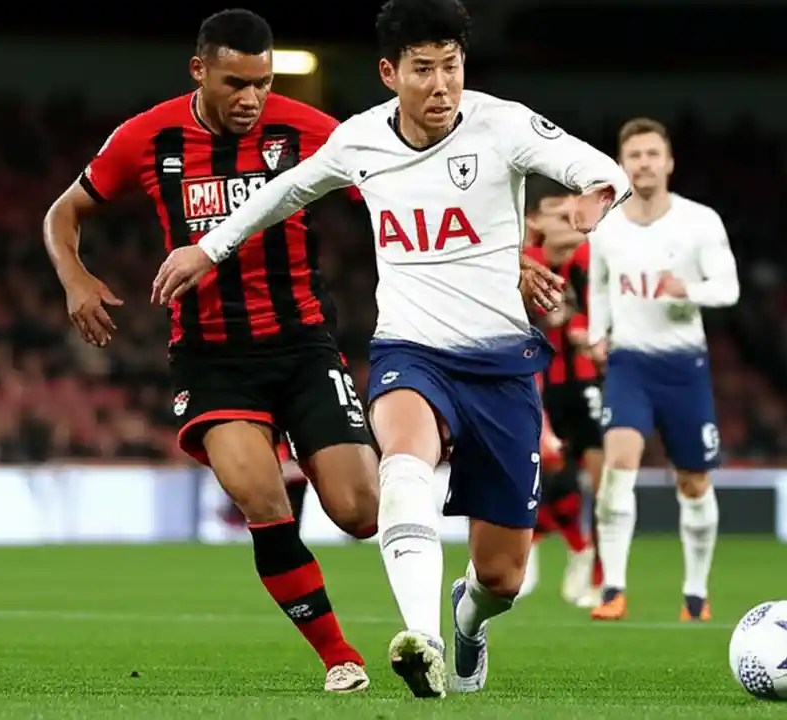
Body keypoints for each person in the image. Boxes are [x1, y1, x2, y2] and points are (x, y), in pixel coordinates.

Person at [150, 0, 626, 698]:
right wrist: (208, 248)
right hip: (412, 351)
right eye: (423, 69)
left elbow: (595, 167)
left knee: (502, 578)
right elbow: (284, 192)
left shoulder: (504, 124)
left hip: (500, 364)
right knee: (403, 465)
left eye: (452, 67)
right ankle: (422, 638)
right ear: (389, 72)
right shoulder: (358, 141)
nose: (441, 85)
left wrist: (594, 198)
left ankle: (467, 620)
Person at [42, 9, 379, 693]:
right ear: (200, 71)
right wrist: (75, 278)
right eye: (235, 83)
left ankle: (307, 458)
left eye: (262, 82)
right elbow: (62, 213)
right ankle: (340, 657)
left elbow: (392, 190)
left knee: (360, 513)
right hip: (214, 360)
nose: (251, 99)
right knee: (261, 502)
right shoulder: (147, 135)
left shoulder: (309, 130)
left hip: (305, 347)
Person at [586, 118, 739, 623]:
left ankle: (695, 595)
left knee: (694, 483)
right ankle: (612, 589)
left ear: (668, 162)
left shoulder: (700, 222)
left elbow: (728, 288)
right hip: (630, 362)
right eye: (635, 156)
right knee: (618, 468)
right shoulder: (607, 225)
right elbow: (600, 285)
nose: (644, 163)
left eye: (653, 154)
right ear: (622, 164)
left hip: (683, 366)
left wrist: (688, 291)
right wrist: (597, 335)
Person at [521, 182, 604, 608]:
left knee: (599, 481)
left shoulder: (592, 258)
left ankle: (601, 575)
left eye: (577, 215)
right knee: (547, 467)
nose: (575, 224)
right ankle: (546, 543)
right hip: (530, 383)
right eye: (561, 215)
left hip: (585, 381)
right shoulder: (519, 265)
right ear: (534, 223)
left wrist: (594, 333)